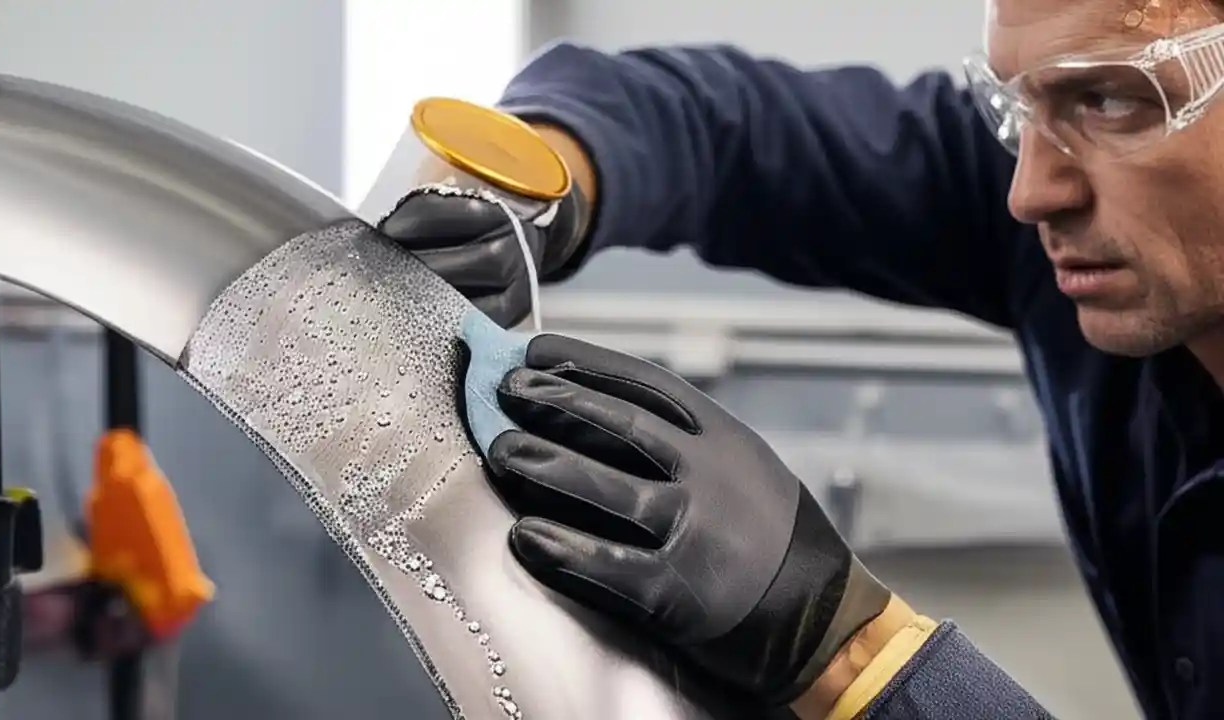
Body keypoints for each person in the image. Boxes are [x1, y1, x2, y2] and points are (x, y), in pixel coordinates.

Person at [382, 0, 1224, 717]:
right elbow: (717, 127)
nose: (1030, 191)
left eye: (1113, 99)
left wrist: (845, 646)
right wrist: (540, 183)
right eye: (1018, 108)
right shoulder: (1104, 234)